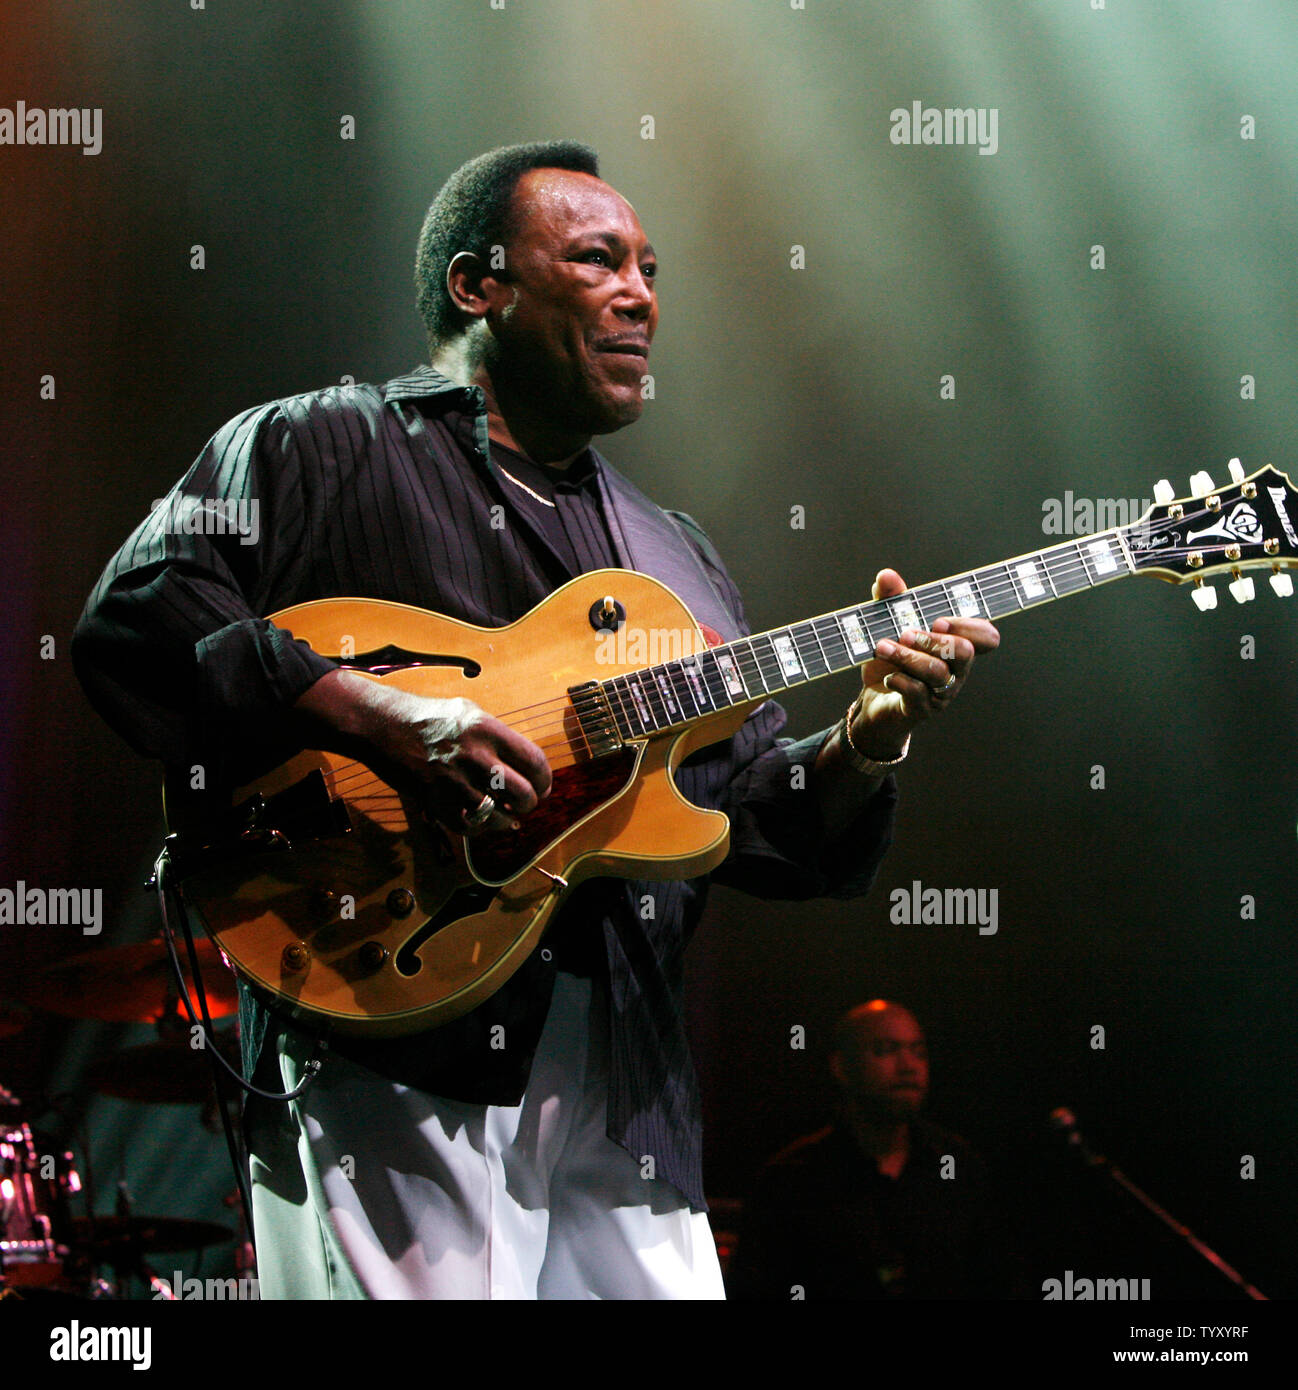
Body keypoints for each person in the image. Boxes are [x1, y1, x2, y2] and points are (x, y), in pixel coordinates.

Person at [71, 142, 999, 1299]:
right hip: (395, 1034)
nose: (640, 294)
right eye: (598, 259)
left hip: (629, 1072)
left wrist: (868, 733)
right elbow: (143, 612)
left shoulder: (677, 555)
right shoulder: (320, 444)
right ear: (479, 285)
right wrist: (387, 720)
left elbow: (754, 822)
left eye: (651, 270)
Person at [730, 999, 1019, 1299]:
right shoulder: (793, 1179)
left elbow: (1000, 1279)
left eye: (918, 1052)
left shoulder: (960, 1167)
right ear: (841, 1066)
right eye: (885, 1050)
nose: (908, 1066)